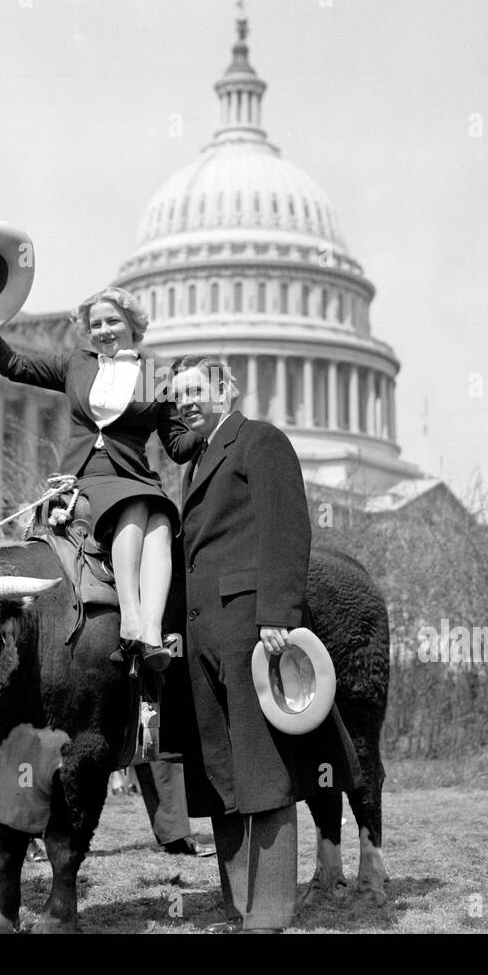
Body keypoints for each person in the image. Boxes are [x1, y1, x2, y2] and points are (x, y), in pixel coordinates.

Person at [163, 354, 360, 932]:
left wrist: (278, 614)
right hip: (204, 636)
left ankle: (270, 912)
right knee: (222, 774)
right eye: (178, 396)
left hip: (251, 629)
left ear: (228, 389)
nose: (187, 403)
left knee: (265, 770)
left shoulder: (261, 441)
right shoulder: (196, 460)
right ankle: (239, 906)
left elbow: (287, 526)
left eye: (197, 390)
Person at [0, 286, 198, 671]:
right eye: (95, 324)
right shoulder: (78, 364)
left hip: (133, 472)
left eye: (112, 321)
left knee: (161, 521)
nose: (104, 330)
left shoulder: (154, 375)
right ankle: (132, 620)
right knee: (137, 505)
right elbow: (12, 365)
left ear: (132, 325)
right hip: (85, 475)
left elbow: (177, 446)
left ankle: (151, 629)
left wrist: (212, 421)